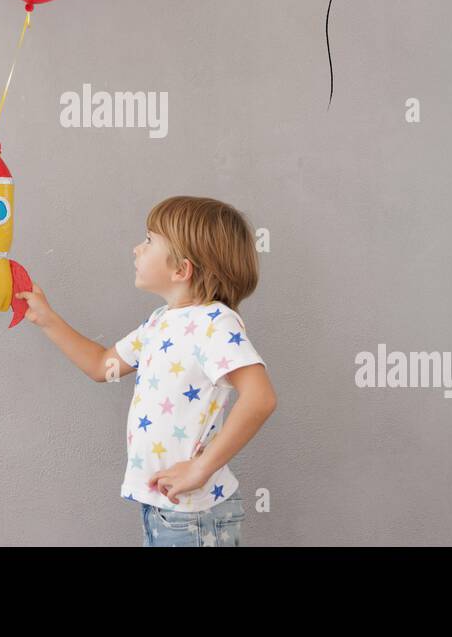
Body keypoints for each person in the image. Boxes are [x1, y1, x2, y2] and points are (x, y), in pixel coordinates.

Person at [16, 195, 277, 546]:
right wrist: (47, 320)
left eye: (149, 241)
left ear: (181, 270)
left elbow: (260, 398)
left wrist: (201, 469)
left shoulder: (215, 322)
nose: (136, 249)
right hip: (165, 509)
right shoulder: (159, 323)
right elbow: (101, 366)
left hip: (194, 516)